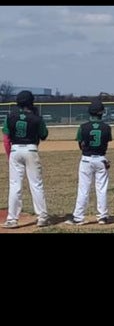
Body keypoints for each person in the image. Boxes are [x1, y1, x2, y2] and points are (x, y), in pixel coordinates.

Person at [2, 90, 50, 229]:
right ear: (31, 102)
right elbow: (44, 135)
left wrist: (9, 154)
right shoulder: (36, 118)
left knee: (15, 185)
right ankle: (42, 217)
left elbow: (6, 138)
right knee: (36, 184)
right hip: (31, 149)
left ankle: (12, 219)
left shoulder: (10, 117)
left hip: (15, 150)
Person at [66, 98, 113, 225]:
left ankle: (78, 217)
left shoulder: (83, 127)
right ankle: (102, 216)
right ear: (102, 112)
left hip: (86, 159)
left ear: (89, 112)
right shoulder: (107, 128)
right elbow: (106, 142)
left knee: (83, 189)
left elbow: (80, 144)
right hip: (101, 159)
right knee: (101, 189)